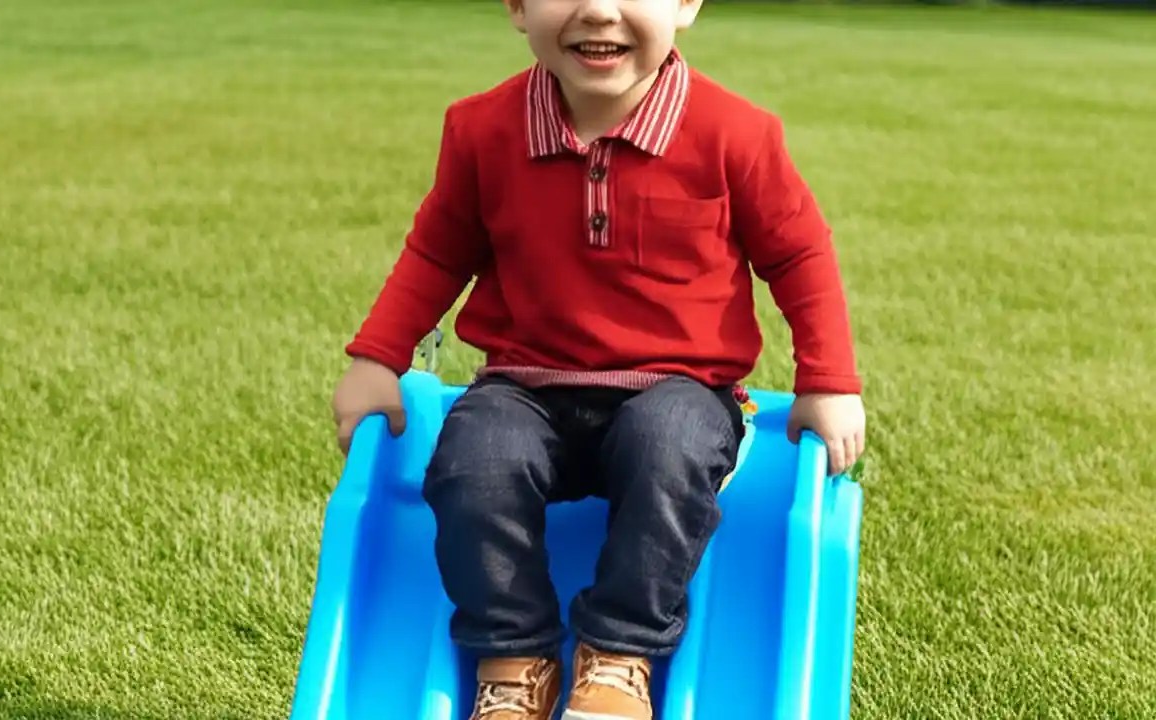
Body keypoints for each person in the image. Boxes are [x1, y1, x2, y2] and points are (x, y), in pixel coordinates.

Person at [330, 0, 866, 717]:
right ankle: (514, 654)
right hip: (526, 385)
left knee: (667, 447)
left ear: (685, 4)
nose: (599, 10)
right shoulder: (482, 130)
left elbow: (799, 253)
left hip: (678, 388)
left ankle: (617, 653)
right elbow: (437, 251)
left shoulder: (734, 133)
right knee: (473, 460)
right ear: (517, 7)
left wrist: (826, 381)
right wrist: (378, 357)